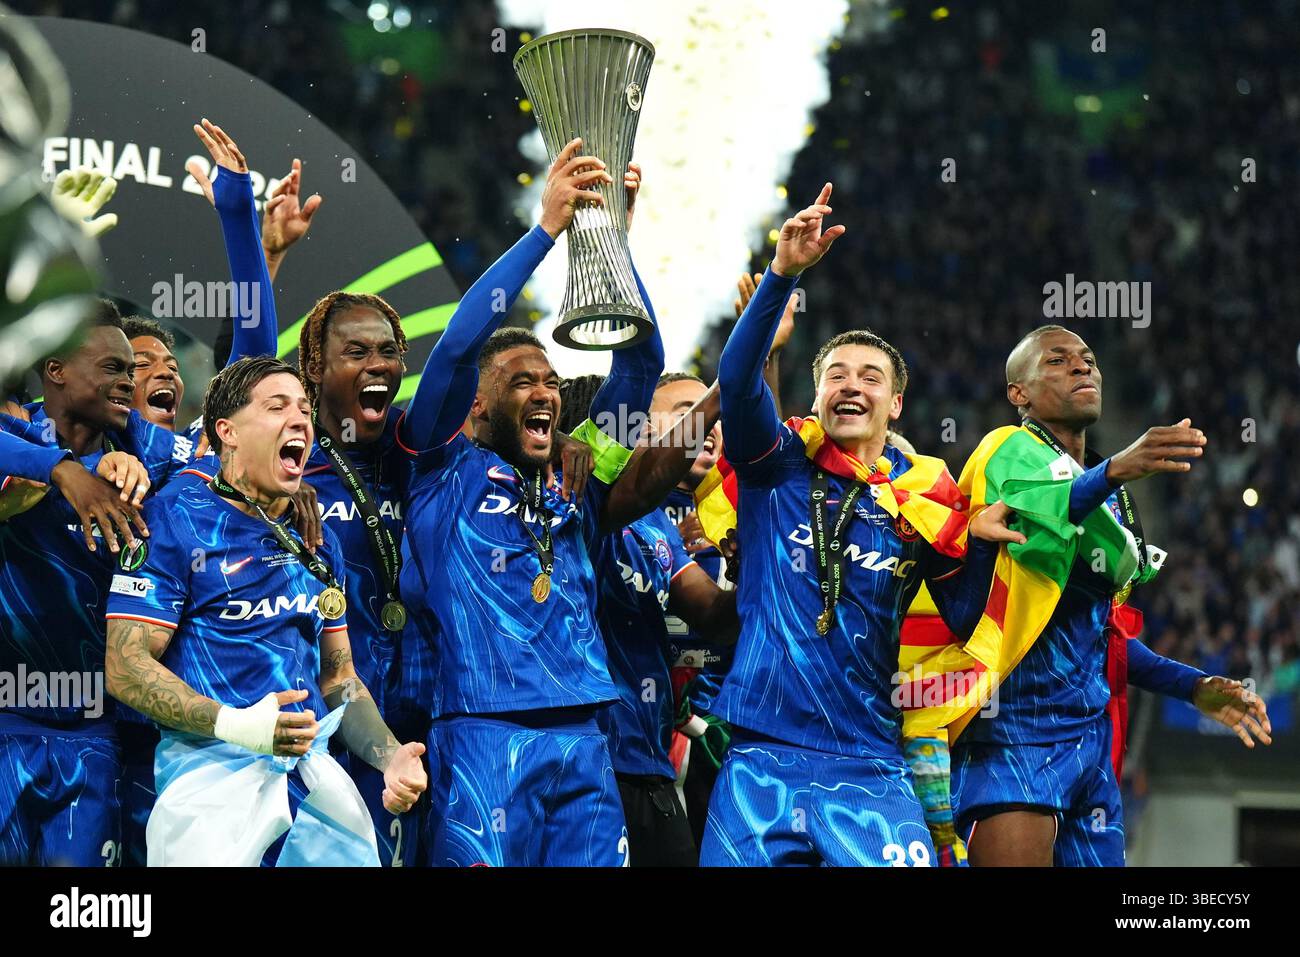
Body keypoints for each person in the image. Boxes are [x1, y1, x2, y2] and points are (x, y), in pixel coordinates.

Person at [697, 183, 1014, 866]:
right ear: (817, 395)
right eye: (836, 373)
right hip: (761, 759)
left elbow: (961, 624)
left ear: (894, 404)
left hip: (869, 765)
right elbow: (736, 373)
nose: (852, 384)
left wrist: (980, 549)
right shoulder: (774, 463)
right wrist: (782, 276)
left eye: (871, 376)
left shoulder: (924, 505)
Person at [399, 137, 671, 866]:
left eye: (550, 380)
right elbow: (457, 348)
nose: (545, 390)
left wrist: (609, 239)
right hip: (483, 732)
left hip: (588, 737)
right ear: (477, 409)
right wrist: (546, 230)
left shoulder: (579, 475)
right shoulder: (437, 466)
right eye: (522, 382)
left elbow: (643, 360)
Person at [948, 325, 1272, 867]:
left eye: (1089, 359)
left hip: (1090, 747)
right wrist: (1115, 469)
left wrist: (1193, 686)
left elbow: (1102, 634)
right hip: (1011, 733)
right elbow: (1034, 517)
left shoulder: (1110, 497)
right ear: (1018, 393)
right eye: (1058, 361)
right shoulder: (1005, 449)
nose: (1082, 367)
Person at [103, 355, 426, 866]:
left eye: (303, 408)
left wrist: (390, 758)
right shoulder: (173, 521)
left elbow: (338, 677)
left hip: (315, 789)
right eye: (277, 407)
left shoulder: (317, 541)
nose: (299, 419)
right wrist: (237, 724)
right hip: (210, 792)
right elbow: (124, 666)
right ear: (226, 432)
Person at [0, 301, 189, 865]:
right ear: (56, 370)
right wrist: (62, 469)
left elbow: (226, 453)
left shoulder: (140, 450)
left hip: (93, 735)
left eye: (130, 372)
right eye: (112, 368)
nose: (127, 383)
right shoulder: (16, 429)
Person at [559, 373, 737, 866]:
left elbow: (714, 618)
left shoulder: (655, 523)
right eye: (631, 428)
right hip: (588, 760)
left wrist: (751, 572)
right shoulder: (566, 514)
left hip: (650, 761)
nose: (646, 441)